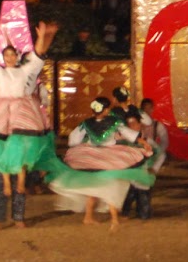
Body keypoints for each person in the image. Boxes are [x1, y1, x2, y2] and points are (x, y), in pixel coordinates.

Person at [0, 21, 60, 228]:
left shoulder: (25, 71)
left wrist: (41, 36)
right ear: (3, 58)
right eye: (6, 55)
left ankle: (19, 217)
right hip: (0, 114)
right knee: (0, 166)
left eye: (12, 55)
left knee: (20, 167)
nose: (9, 58)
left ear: (16, 57)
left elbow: (38, 54)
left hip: (21, 113)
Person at [49, 97, 156, 231]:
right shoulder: (113, 121)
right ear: (105, 110)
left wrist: (86, 145)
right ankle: (114, 220)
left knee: (94, 188)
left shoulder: (86, 123)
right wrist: (144, 142)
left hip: (91, 157)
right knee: (109, 187)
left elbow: (73, 140)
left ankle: (89, 217)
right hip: (109, 158)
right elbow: (129, 134)